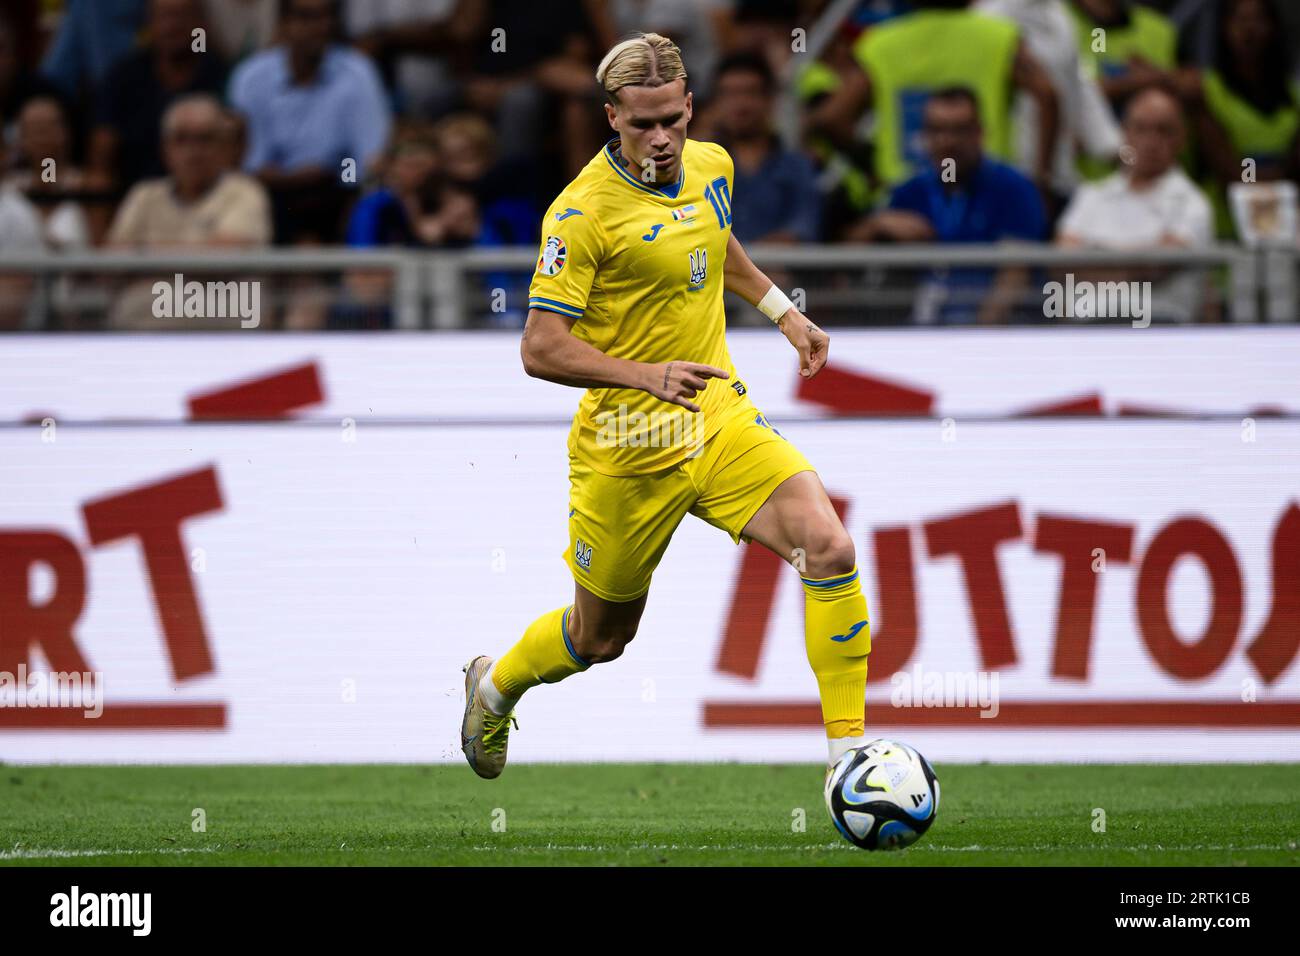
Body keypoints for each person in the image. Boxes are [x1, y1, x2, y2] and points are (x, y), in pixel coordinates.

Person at [460, 33, 870, 783]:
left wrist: (784, 312)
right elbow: (540, 348)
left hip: (716, 418)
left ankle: (852, 761)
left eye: (670, 121)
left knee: (830, 547)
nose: (659, 140)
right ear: (610, 115)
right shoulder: (580, 214)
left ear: (690, 107)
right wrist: (642, 376)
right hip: (626, 443)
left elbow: (715, 243)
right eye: (640, 124)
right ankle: (493, 687)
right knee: (600, 640)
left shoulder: (713, 165)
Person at [853, 86, 1047, 324]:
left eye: (959, 131)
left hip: (991, 334)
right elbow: (845, 263)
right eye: (937, 130)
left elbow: (1014, 277)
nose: (947, 141)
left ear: (979, 133)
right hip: (917, 329)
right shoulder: (910, 192)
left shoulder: (1013, 188)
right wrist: (876, 225)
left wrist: (973, 340)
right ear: (924, 136)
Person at [228, 0, 392, 243]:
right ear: (283, 24)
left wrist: (339, 172)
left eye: (325, 17)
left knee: (367, 197)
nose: (319, 27)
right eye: (306, 17)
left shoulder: (357, 72)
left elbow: (369, 160)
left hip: (334, 191)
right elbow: (247, 161)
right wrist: (288, 177)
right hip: (270, 193)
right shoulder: (252, 77)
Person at [1056, 86, 1214, 322]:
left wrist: (1094, 255)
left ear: (1181, 138)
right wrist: (1140, 259)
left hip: (1162, 330)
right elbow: (1061, 264)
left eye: (1163, 130)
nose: (1151, 141)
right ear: (1125, 134)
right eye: (1141, 129)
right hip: (1087, 334)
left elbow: (1157, 266)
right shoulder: (1091, 195)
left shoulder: (1193, 203)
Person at [710, 51, 821, 243]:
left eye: (750, 93)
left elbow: (803, 230)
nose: (740, 105)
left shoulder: (797, 167)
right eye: (730, 94)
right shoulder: (698, 166)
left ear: (770, 99)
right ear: (717, 102)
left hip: (778, 272)